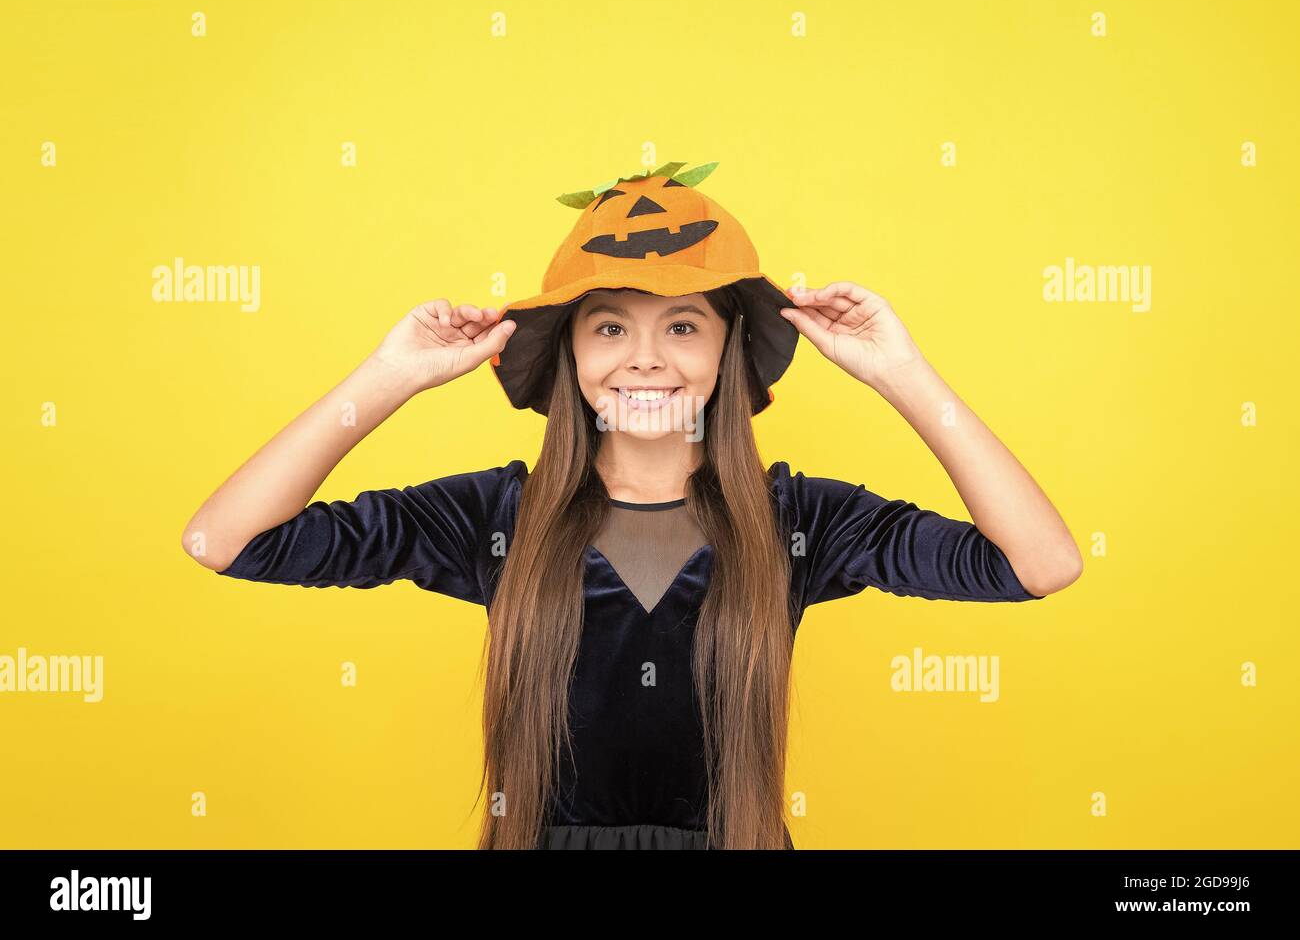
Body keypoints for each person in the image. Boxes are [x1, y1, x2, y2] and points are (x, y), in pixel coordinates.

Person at [181, 161, 1082, 850]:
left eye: (683, 325)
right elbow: (224, 537)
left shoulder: (799, 522)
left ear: (729, 351)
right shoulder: (497, 518)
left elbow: (1042, 564)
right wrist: (388, 376)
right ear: (570, 351)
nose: (645, 359)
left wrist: (904, 375)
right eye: (610, 325)